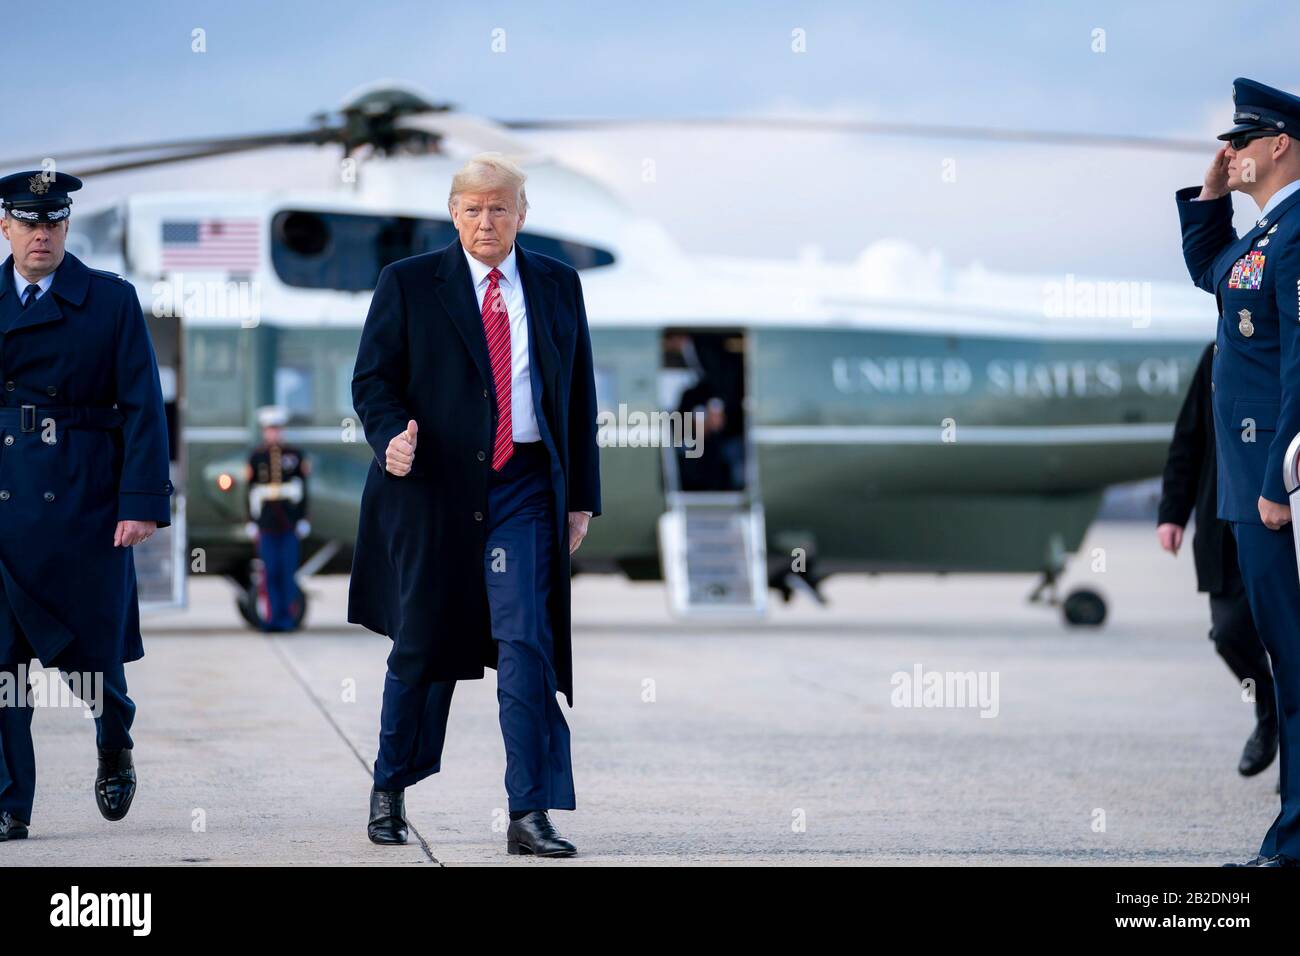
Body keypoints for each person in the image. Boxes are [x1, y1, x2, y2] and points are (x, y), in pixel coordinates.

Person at [348, 152, 601, 856]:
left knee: (526, 646)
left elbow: (578, 398)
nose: (485, 221)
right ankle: (389, 789)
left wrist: (580, 496)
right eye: (472, 209)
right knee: (421, 646)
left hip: (522, 488)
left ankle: (529, 812)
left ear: (523, 214)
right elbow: (372, 381)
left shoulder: (556, 285)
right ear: (452, 213)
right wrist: (388, 437)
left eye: (499, 208)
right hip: (432, 489)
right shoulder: (408, 284)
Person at [0, 170, 173, 842]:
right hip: (6, 499)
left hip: (84, 501)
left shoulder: (110, 301)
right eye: (27, 222)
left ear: (67, 228)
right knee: (5, 666)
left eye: (52, 223)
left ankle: (113, 740)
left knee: (93, 662)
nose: (40, 234)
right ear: (7, 227)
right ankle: (11, 803)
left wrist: (141, 502)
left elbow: (142, 408)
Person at [1175, 77, 1300, 866]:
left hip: (1275, 487)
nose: (1231, 152)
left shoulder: (1297, 236)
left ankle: (1290, 845)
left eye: (1243, 141)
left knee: (1294, 660)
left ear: (1281, 143)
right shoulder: (1264, 237)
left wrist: (1275, 482)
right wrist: (1209, 195)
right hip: (1252, 484)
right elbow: (1212, 275)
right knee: (1286, 662)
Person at [1157, 342, 1278, 778]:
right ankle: (1270, 710)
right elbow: (1188, 439)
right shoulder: (1217, 354)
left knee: (1287, 638)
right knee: (1229, 633)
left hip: (1285, 520)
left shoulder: (1290, 350)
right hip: (1223, 522)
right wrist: (1173, 512)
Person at [245, 405, 310, 632]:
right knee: (269, 572)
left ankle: (286, 619)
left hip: (289, 522)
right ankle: (272, 619)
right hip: (266, 523)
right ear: (264, 431)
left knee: (287, 571)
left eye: (277, 429)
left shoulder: (294, 455)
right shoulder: (257, 456)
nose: (274, 433)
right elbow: (250, 491)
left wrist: (302, 519)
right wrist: (251, 522)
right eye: (270, 429)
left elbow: (303, 490)